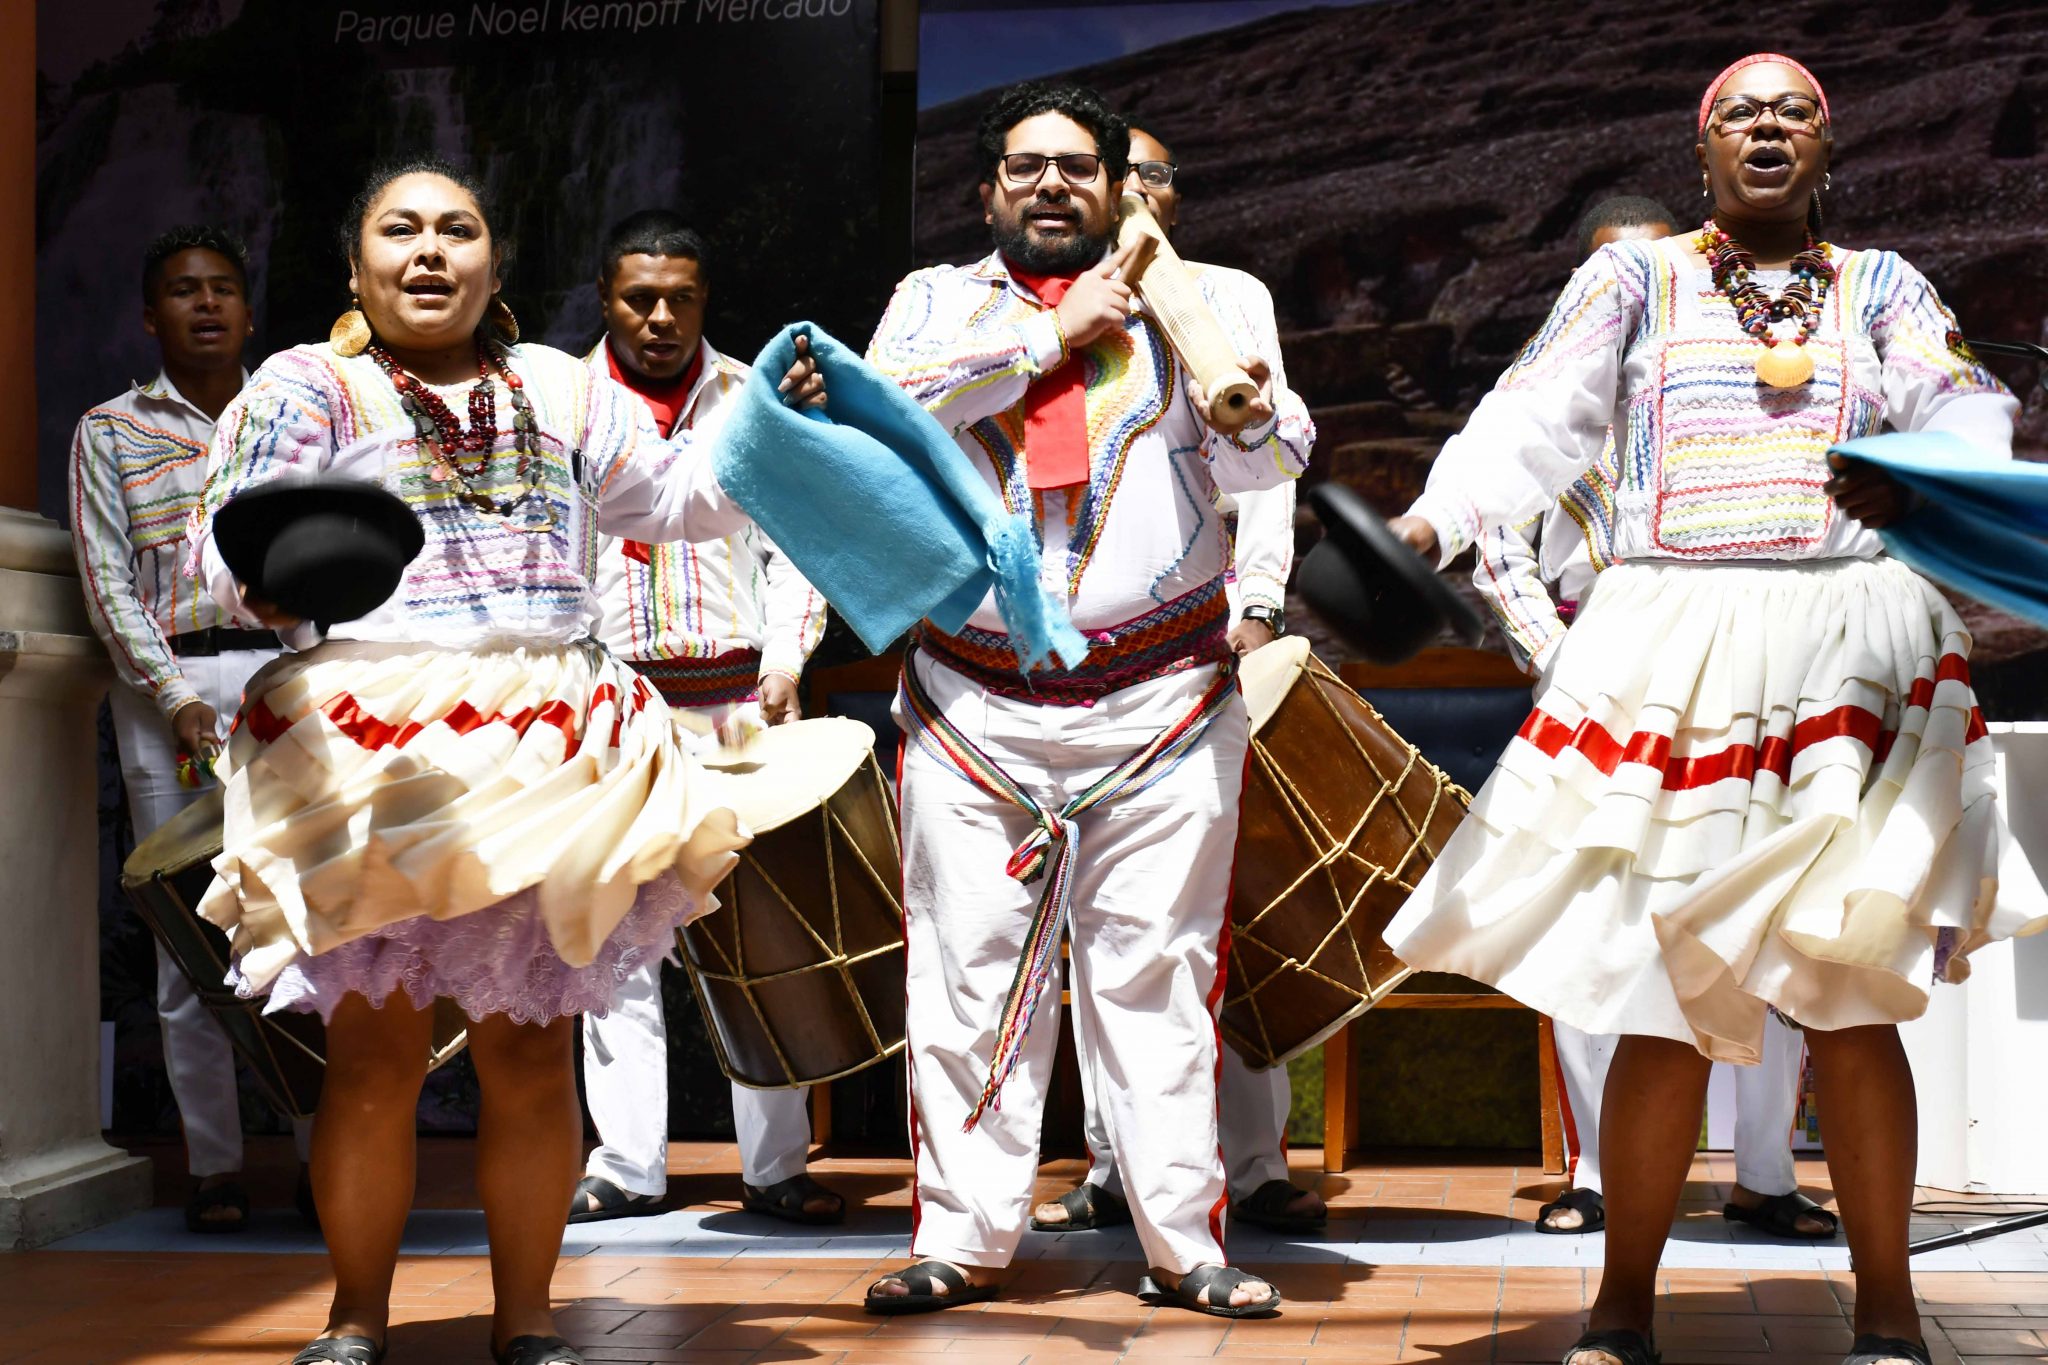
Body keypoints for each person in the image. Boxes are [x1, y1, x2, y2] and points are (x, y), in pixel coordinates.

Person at [1383, 56, 2034, 1365]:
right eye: (1744, 112)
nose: (1771, 129)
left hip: (1850, 640)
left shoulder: (1886, 287)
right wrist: (1434, 517)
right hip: (1675, 640)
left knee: (1852, 991)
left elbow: (1966, 415)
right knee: (1663, 994)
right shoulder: (1636, 279)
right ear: (1705, 149)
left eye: (1796, 112)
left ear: (1829, 147)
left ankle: (1891, 1314)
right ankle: (1624, 1303)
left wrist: (1931, 483)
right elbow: (1533, 420)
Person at [187, 157, 823, 1365]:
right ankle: (356, 1318)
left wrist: (774, 432)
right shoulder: (302, 385)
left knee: (530, 1046)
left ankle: (528, 1319)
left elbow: (679, 500)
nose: (429, 252)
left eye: (456, 230)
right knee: (373, 1049)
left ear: (496, 261)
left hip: (546, 728)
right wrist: (272, 583)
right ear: (355, 259)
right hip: (373, 735)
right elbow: (230, 544)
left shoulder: (560, 387)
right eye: (400, 229)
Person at [863, 82, 1313, 1319]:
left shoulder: (1215, 299)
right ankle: (962, 1237)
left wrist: (1240, 395)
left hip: (1158, 695)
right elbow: (887, 416)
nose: (1050, 184)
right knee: (964, 972)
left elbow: (1276, 461)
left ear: (1119, 185)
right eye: (1025, 167)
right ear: (986, 190)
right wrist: (1053, 340)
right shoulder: (933, 303)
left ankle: (1184, 1247)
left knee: (1153, 975)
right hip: (973, 698)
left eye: (1076, 166)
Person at [1473, 195, 1836, 1244]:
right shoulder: (1536, 399)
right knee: (1592, 931)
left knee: (1764, 923)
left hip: (1742, 675)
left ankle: (1762, 1174)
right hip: (1593, 677)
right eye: (1607, 278)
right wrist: (1561, 661)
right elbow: (1497, 543)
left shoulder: (1753, 386)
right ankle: (1592, 1169)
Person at [1035, 124, 1324, 1240]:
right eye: (1126, 174)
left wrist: (1256, 605)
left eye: (1154, 175)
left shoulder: (1227, 294)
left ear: (1172, 195)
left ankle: (1250, 1167)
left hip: (1201, 645)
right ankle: (1116, 1165)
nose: (1136, 190)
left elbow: (1266, 466)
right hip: (1063, 667)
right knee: (1092, 932)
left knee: (1206, 923)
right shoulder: (1042, 302)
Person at [569, 210, 841, 1229]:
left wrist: (783, 664)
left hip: (734, 700)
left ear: (704, 303)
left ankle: (774, 1168)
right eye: (640, 297)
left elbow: (797, 544)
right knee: (615, 943)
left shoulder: (752, 400)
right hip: (611, 703)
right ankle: (627, 1166)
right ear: (606, 300)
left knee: (754, 941)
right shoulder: (564, 402)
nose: (660, 316)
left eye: (680, 297)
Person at [67, 225, 314, 1234]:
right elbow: (107, 583)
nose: (204, 305)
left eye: (221, 289)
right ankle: (214, 1167)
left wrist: (312, 674)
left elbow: (322, 558)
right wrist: (173, 694)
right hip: (165, 690)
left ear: (249, 312)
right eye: (182, 291)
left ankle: (318, 1153)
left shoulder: (290, 418)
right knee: (187, 938)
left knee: (304, 922)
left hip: (286, 683)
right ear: (150, 316)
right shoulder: (109, 432)